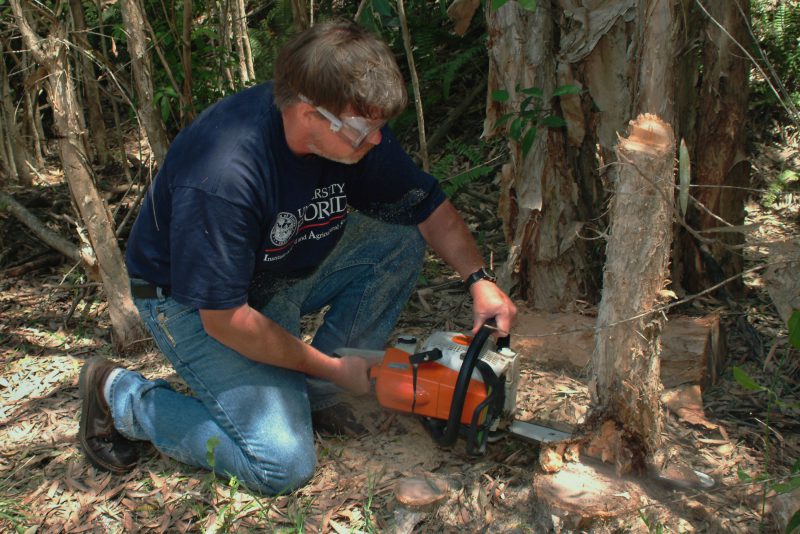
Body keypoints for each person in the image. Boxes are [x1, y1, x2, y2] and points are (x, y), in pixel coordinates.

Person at [78, 19, 516, 495]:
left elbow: (427, 206)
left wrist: (479, 278)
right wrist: (330, 366)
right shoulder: (226, 173)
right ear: (309, 113)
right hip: (187, 303)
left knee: (399, 241)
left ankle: (319, 396)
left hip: (279, 267)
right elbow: (224, 320)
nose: (375, 140)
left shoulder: (352, 132)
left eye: (379, 127)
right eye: (363, 129)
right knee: (280, 463)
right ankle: (120, 396)